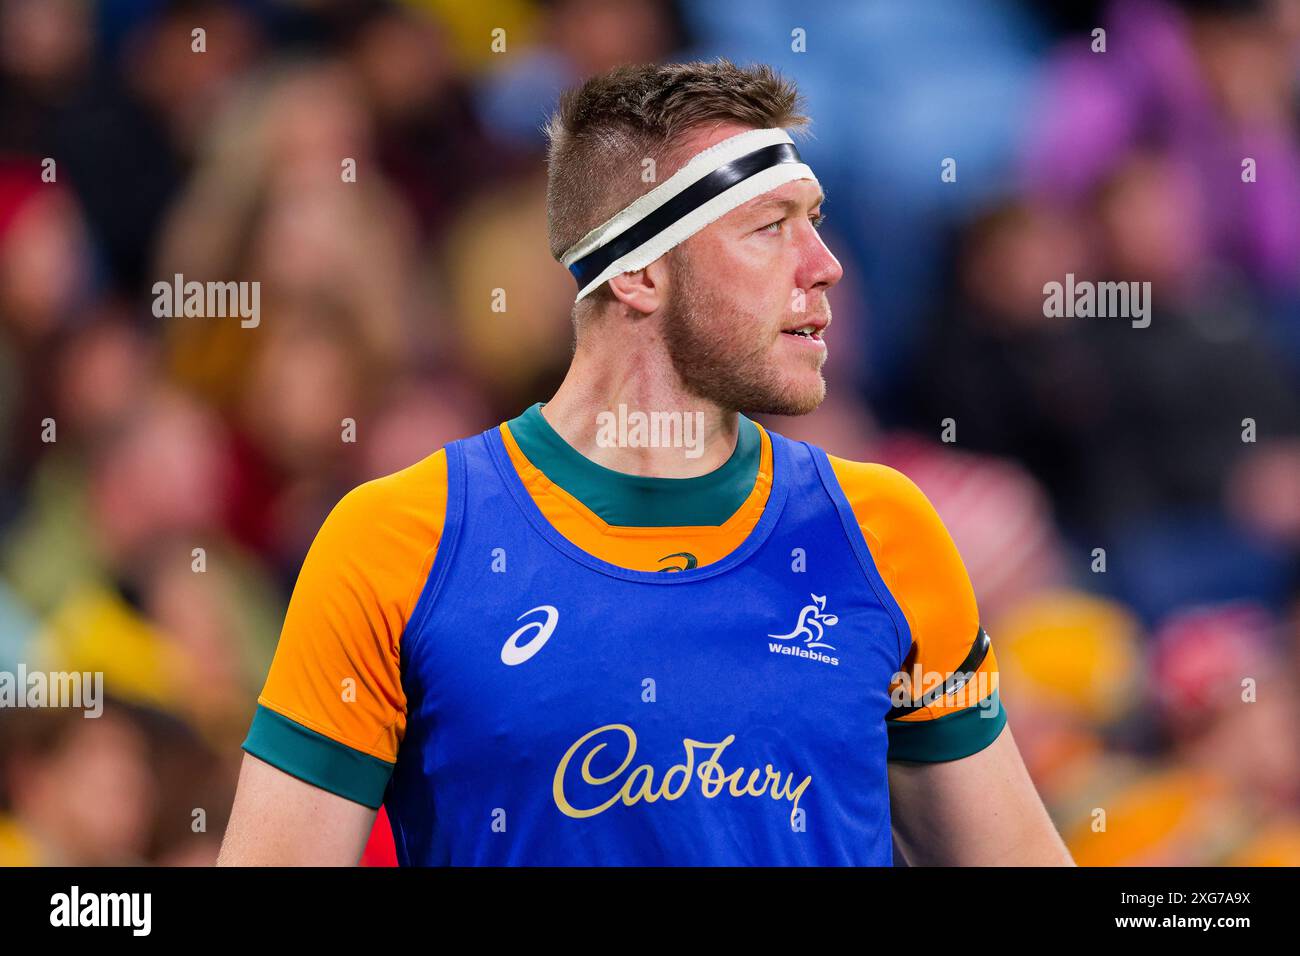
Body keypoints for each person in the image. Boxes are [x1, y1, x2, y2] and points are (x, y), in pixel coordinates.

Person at [218, 59, 1072, 866]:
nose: (826, 266)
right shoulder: (395, 542)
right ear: (638, 274)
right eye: (770, 228)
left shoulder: (886, 531)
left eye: (814, 220)